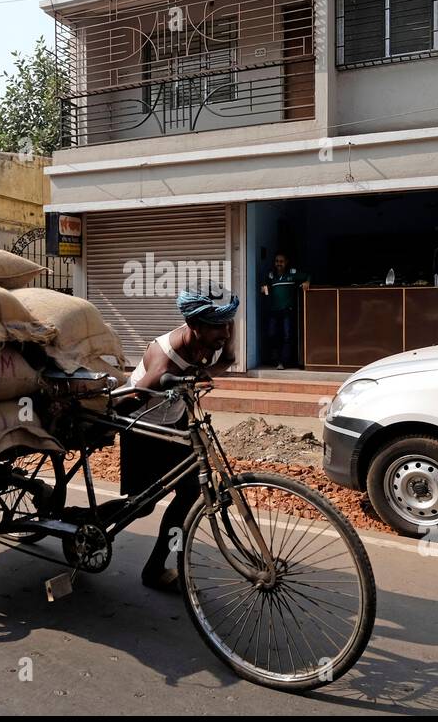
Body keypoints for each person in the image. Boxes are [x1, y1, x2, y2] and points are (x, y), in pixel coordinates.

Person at [66, 288, 238, 593]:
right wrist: (99, 424)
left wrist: (225, 336)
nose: (224, 332)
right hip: (143, 429)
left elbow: (229, 359)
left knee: (188, 495)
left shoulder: (208, 339)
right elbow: (133, 397)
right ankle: (80, 520)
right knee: (142, 505)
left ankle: (157, 569)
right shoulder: (164, 359)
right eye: (218, 326)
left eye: (227, 324)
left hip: (173, 423)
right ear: (194, 326)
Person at [260, 253, 308, 369]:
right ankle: (276, 360)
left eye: (281, 261)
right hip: (274, 311)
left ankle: (284, 362)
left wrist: (307, 282)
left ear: (286, 262)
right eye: (277, 261)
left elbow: (307, 276)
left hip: (287, 310)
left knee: (287, 336)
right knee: (272, 334)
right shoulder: (271, 276)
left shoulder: (292, 274)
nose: (279, 264)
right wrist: (264, 290)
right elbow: (265, 286)